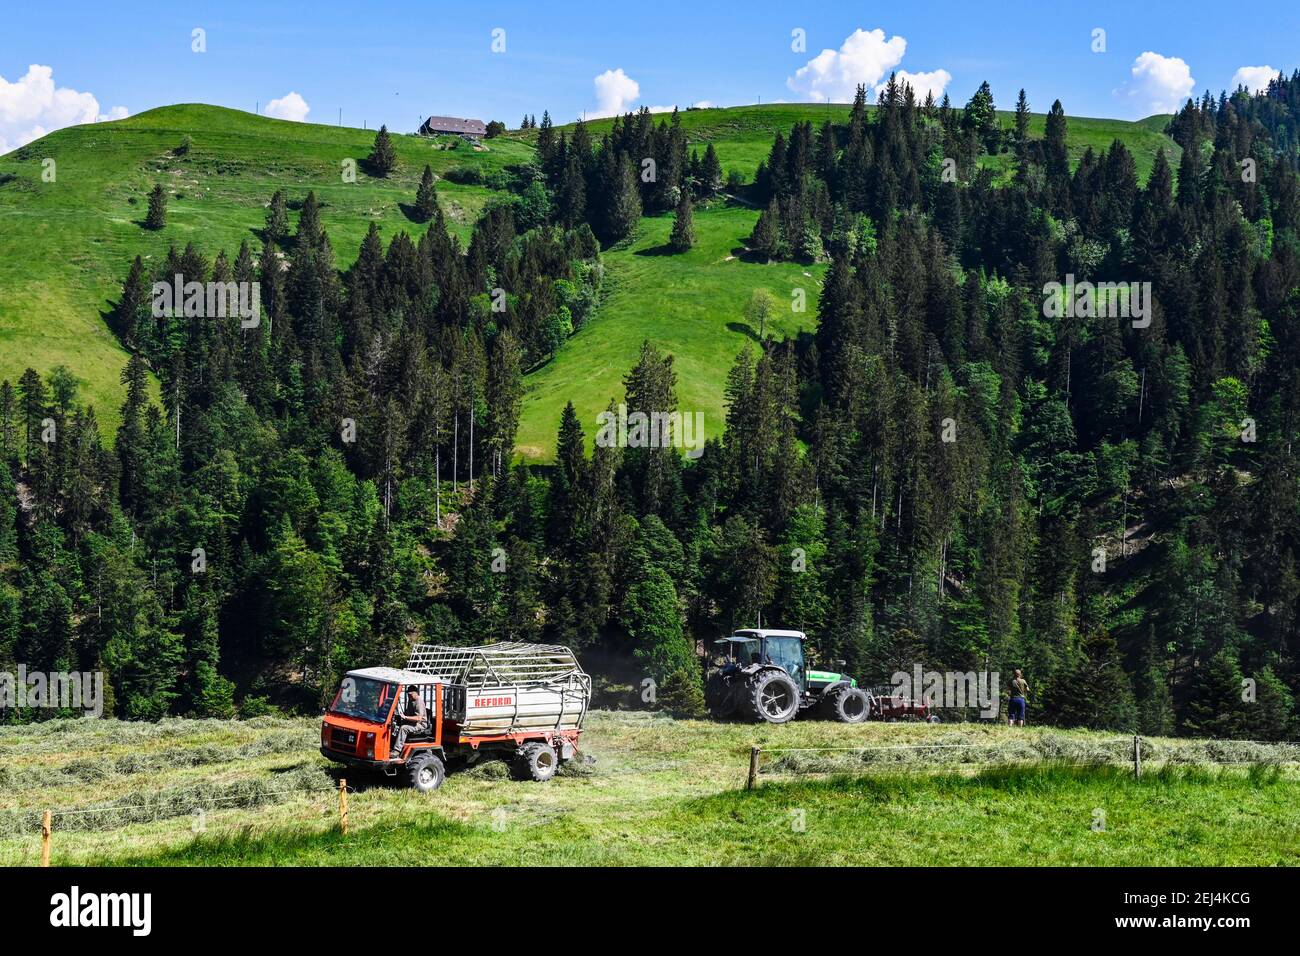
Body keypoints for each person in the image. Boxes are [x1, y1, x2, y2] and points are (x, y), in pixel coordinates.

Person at [392, 685, 429, 755]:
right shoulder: (411, 700)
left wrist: (405, 717)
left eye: (410, 694)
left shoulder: (419, 702)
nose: (409, 696)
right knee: (395, 724)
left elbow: (418, 718)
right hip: (412, 722)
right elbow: (408, 713)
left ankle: (397, 750)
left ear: (415, 693)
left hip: (420, 724)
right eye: (408, 694)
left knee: (404, 728)